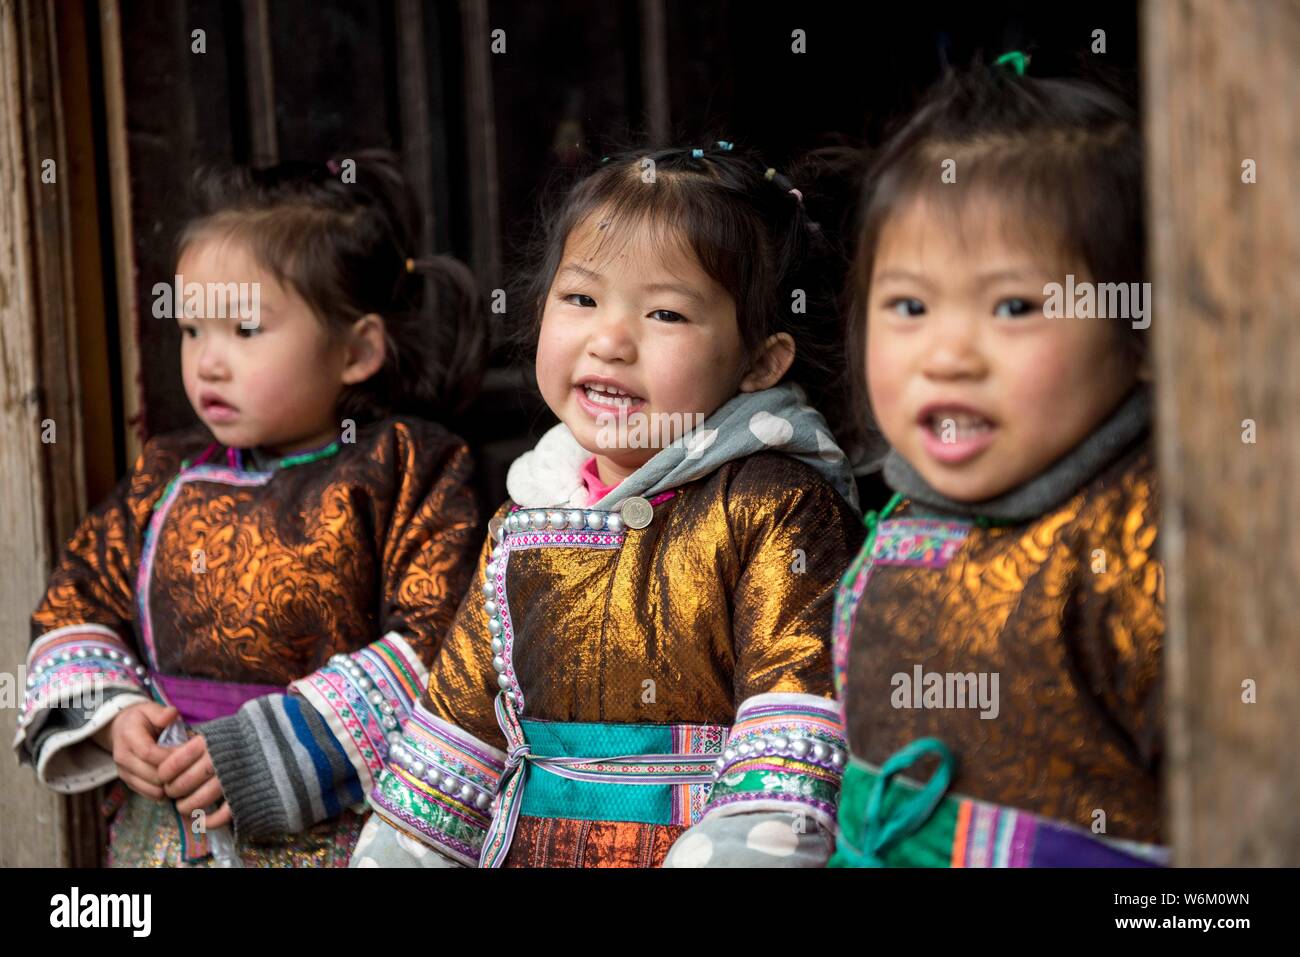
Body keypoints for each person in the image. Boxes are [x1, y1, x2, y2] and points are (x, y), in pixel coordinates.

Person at [351, 141, 864, 868]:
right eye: (582, 299)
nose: (610, 340)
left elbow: (787, 771)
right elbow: (451, 757)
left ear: (760, 360)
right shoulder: (523, 523)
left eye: (665, 312)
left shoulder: (777, 509)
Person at [15, 150, 486, 866]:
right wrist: (116, 720)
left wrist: (266, 747)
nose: (207, 361)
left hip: (335, 832)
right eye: (193, 330)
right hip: (167, 832)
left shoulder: (405, 468)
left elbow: (446, 641)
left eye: (243, 331)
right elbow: (75, 600)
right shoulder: (167, 472)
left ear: (357, 350)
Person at [830, 60, 1167, 867]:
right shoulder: (895, 520)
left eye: (1014, 306)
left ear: (1143, 330)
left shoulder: (1143, 540)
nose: (946, 355)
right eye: (909, 306)